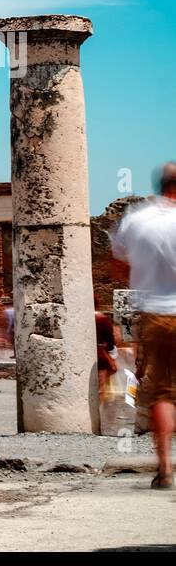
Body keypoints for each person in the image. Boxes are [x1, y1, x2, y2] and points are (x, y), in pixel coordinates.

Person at [111, 161, 176, 489]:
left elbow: (118, 258)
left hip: (154, 314)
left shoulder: (136, 218)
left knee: (161, 393)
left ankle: (164, 467)